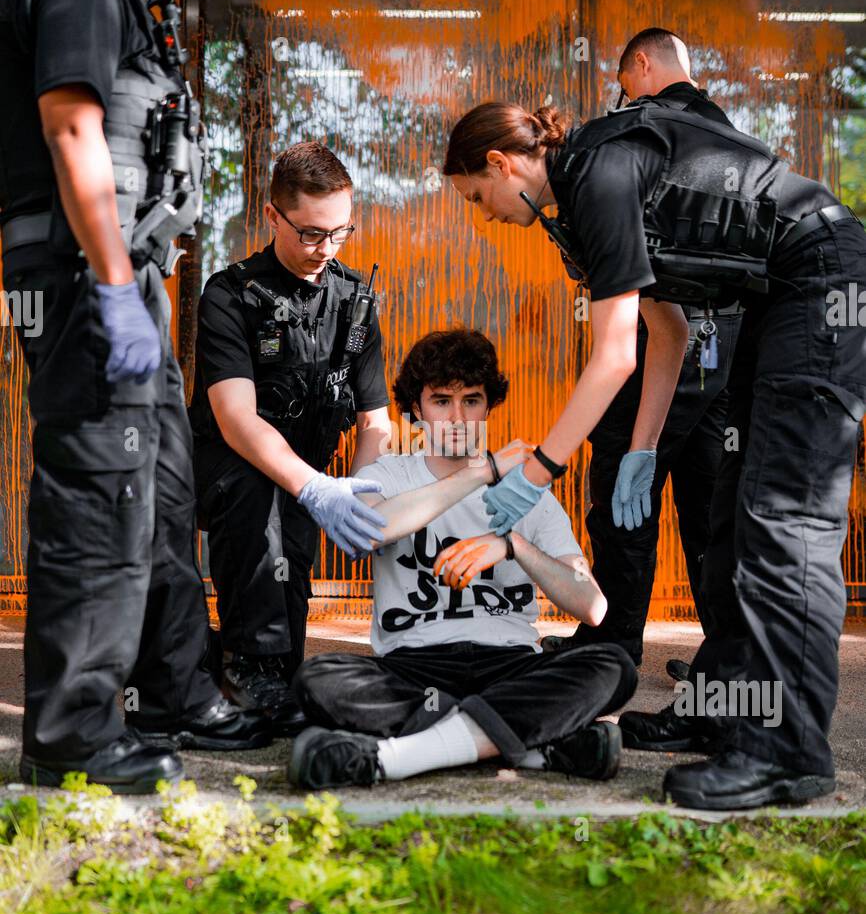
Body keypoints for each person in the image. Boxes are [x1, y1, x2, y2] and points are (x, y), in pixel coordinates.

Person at [443, 90, 866, 810]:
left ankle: (788, 752)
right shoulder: (579, 205)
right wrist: (641, 447)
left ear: (501, 162)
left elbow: (611, 357)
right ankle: (728, 710)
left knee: (783, 520)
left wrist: (542, 469)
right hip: (774, 299)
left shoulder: (599, 174)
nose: (486, 214)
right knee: (733, 523)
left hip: (820, 280)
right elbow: (664, 336)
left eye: (479, 196)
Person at [0, 0, 271, 795]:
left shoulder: (128, 1)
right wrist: (116, 285)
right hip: (86, 275)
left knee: (158, 487)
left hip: (128, 276)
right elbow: (73, 128)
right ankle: (70, 736)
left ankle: (172, 693)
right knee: (97, 487)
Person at [288, 329, 637, 790]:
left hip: (510, 666)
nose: (458, 417)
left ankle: (394, 758)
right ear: (416, 408)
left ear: (489, 405)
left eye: (471, 400)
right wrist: (481, 473)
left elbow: (592, 607)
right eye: (441, 401)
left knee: (613, 666)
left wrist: (513, 545)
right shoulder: (389, 474)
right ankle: (535, 747)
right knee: (318, 677)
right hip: (414, 667)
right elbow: (372, 530)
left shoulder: (526, 489)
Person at [544, 28, 742, 669]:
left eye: (623, 78)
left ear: (642, 63)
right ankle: (723, 652)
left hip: (665, 327)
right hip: (724, 341)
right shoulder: (724, 129)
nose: (620, 92)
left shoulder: (635, 128)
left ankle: (616, 637)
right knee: (707, 494)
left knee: (624, 468)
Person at [189, 142, 391, 726]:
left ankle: (245, 662)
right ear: (273, 216)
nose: (325, 250)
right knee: (254, 492)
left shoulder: (354, 300)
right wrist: (313, 488)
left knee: (287, 639)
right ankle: (245, 664)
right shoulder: (229, 295)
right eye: (309, 233)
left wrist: (363, 487)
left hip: (307, 483)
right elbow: (236, 420)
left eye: (340, 233)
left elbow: (374, 419)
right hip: (226, 471)